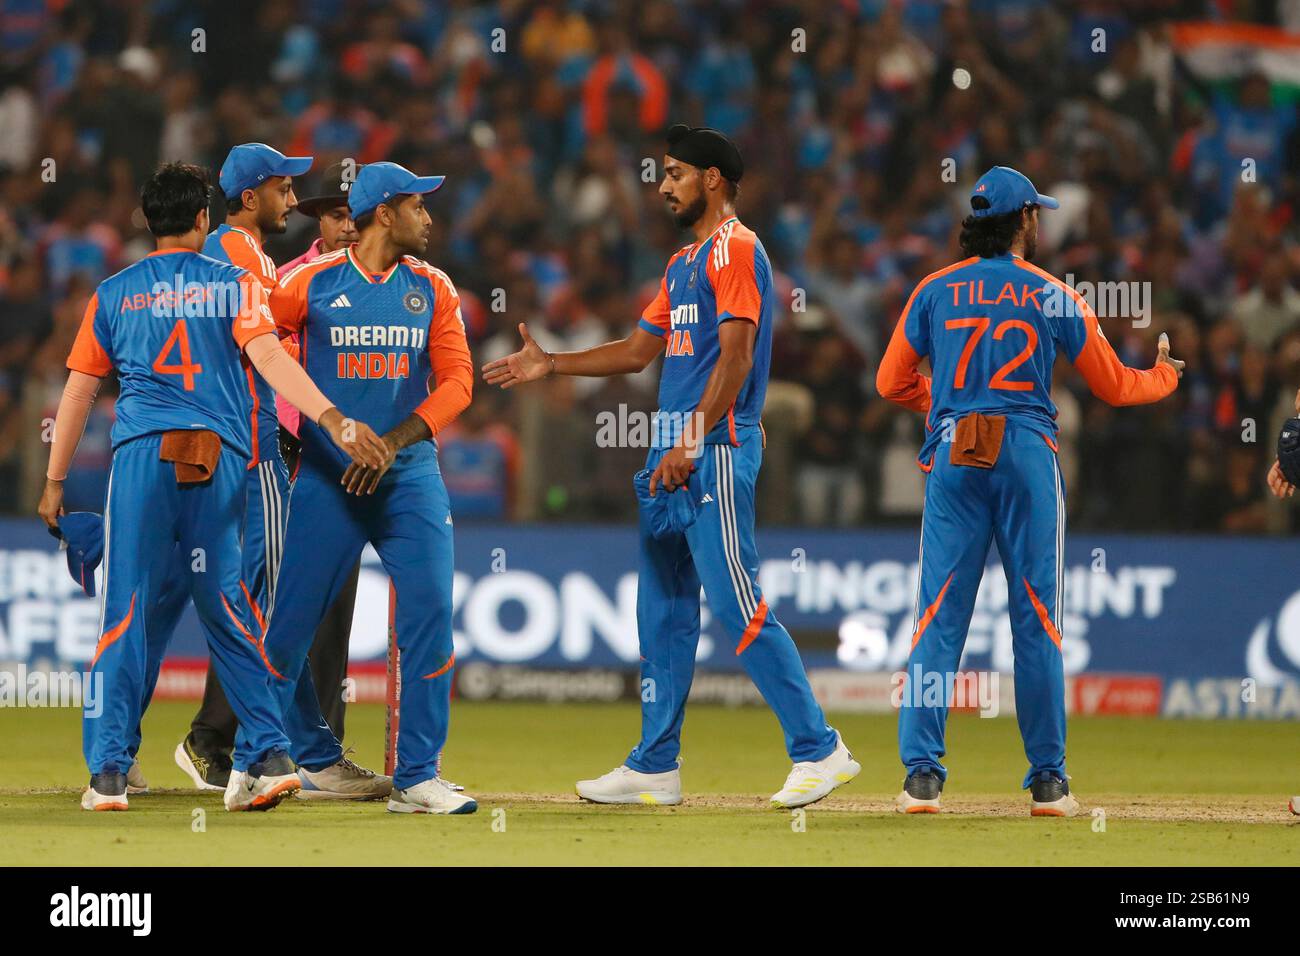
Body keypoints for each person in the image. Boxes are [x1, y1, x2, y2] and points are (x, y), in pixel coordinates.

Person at [483, 125, 860, 808]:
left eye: (676, 173)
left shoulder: (736, 250)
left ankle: (820, 749)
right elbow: (636, 351)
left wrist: (692, 436)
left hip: (708, 449)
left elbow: (738, 357)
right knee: (661, 609)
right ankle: (656, 764)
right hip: (672, 451)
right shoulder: (684, 264)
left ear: (713, 179)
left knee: (738, 603)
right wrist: (552, 365)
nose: (663, 185)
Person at [36, 162, 387, 811]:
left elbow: (82, 388)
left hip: (143, 457)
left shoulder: (114, 291)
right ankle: (269, 755)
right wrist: (332, 417)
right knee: (231, 611)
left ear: (148, 220)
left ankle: (110, 774)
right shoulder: (233, 284)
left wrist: (55, 482)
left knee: (127, 614)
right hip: (220, 457)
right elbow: (270, 357)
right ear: (203, 218)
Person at [876, 166, 1183, 816]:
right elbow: (1115, 386)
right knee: (1037, 619)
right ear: (1025, 221)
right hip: (1024, 451)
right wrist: (1164, 377)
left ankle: (921, 781)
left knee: (936, 618)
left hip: (960, 448)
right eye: (1036, 214)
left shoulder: (934, 289)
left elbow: (888, 382)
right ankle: (1048, 783)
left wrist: (947, 407)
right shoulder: (1050, 293)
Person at [249, 162, 477, 813]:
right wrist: (292, 429)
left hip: (409, 478)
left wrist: (392, 442)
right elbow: (255, 341)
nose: (429, 219)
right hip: (325, 479)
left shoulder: (433, 287)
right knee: (289, 629)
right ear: (385, 214)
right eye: (418, 206)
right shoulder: (308, 284)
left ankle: (417, 776)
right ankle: (254, 761)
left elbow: (458, 383)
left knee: (430, 617)